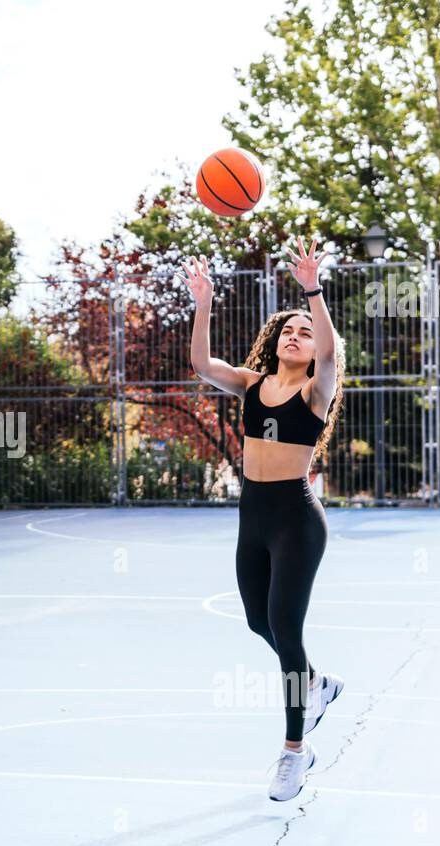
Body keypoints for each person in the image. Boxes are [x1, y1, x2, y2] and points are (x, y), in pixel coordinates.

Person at [184, 239, 346, 802]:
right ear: (274, 342)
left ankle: (294, 753)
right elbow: (202, 365)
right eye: (289, 330)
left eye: (306, 330)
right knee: (261, 624)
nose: (297, 336)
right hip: (252, 517)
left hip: (296, 522)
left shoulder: (314, 391)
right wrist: (203, 300)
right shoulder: (252, 385)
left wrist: (312, 291)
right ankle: (317, 684)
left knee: (288, 629)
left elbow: (329, 355)